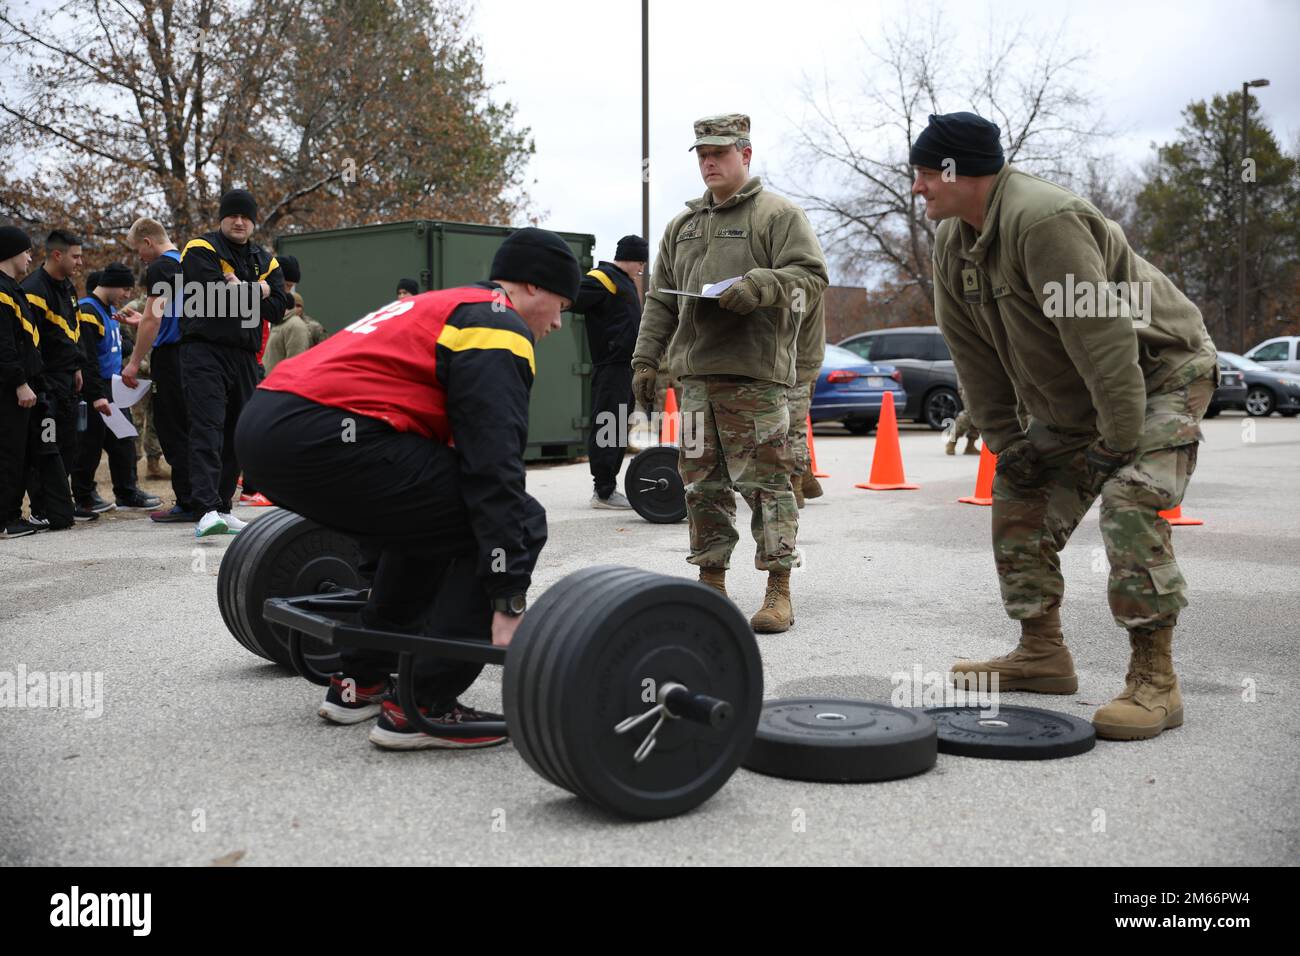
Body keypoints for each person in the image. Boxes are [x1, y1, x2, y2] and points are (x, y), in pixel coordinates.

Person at [913, 111, 1218, 741]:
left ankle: (1156, 680)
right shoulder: (953, 242)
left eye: (923, 174)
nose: (918, 187)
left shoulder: (1042, 221)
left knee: (1129, 499)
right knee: (1018, 491)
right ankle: (1042, 655)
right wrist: (1008, 439)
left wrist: (1117, 439)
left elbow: (1103, 338)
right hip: (1081, 397)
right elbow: (970, 351)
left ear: (958, 171)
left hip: (1160, 374)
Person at [236, 227, 576, 750]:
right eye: (559, 305)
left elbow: (423, 484)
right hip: (322, 431)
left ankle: (360, 681)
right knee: (512, 517)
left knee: (432, 520)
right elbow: (494, 470)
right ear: (531, 285)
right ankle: (425, 705)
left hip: (268, 424)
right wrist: (507, 601)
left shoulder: (445, 303)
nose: (556, 322)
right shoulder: (497, 325)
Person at [632, 113, 829, 633]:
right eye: (701, 153)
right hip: (695, 381)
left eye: (719, 152)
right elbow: (659, 301)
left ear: (745, 152)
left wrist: (761, 285)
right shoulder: (683, 226)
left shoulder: (777, 215)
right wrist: (646, 358)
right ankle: (712, 586)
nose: (708, 161)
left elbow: (811, 280)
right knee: (701, 487)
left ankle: (778, 590)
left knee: (767, 484)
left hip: (755, 378)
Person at [179, 189, 292, 537]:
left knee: (238, 433)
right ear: (222, 218)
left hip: (244, 355)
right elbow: (210, 297)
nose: (239, 221)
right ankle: (204, 509)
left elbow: (279, 307)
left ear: (254, 221)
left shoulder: (266, 258)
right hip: (204, 350)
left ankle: (224, 507)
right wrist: (259, 291)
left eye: (246, 216)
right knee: (207, 427)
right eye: (233, 215)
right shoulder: (202, 248)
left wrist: (242, 288)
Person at [71, 264, 160, 512]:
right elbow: (86, 358)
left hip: (115, 387)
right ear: (110, 283)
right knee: (89, 445)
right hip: (95, 389)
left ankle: (127, 492)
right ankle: (84, 496)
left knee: (124, 441)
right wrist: (96, 394)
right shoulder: (88, 311)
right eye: (124, 288)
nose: (127, 294)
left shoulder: (110, 312)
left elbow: (123, 346)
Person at [21, 229, 96, 525]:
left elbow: (72, 330)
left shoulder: (67, 287)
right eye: (75, 256)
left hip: (67, 379)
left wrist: (77, 366)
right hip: (45, 383)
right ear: (57, 254)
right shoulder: (33, 290)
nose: (80, 262)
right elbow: (31, 343)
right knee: (46, 447)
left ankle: (60, 501)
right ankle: (42, 508)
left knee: (68, 444)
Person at [123, 217, 194, 521]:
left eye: (138, 248)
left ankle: (188, 502)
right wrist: (145, 320)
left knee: (173, 427)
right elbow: (170, 313)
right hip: (192, 355)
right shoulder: (188, 263)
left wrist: (134, 361)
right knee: (192, 426)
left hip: (170, 359)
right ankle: (203, 497)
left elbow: (154, 320)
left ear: (148, 241)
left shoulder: (160, 267)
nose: (138, 256)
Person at [571, 234, 647, 509]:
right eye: (641, 262)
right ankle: (602, 491)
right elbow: (572, 298)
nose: (642, 269)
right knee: (608, 424)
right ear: (634, 258)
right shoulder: (602, 278)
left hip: (625, 366)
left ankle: (607, 488)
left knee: (617, 427)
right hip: (611, 366)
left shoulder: (623, 281)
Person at [0, 226, 55, 537]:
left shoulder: (12, 289)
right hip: (9, 389)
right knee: (8, 452)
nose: (29, 257)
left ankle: (12, 512)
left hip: (25, 384)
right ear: (10, 253)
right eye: (25, 251)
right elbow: (5, 345)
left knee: (19, 453)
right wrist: (20, 382)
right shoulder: (1, 291)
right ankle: (6, 518)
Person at [787, 296, 826, 508]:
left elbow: (793, 319)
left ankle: (795, 486)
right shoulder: (809, 278)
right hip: (805, 359)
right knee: (797, 423)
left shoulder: (799, 285)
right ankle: (807, 481)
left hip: (797, 362)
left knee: (793, 427)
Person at [945, 383, 980, 455]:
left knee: (978, 413)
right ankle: (952, 441)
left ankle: (970, 445)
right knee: (969, 412)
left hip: (981, 384)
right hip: (967, 383)